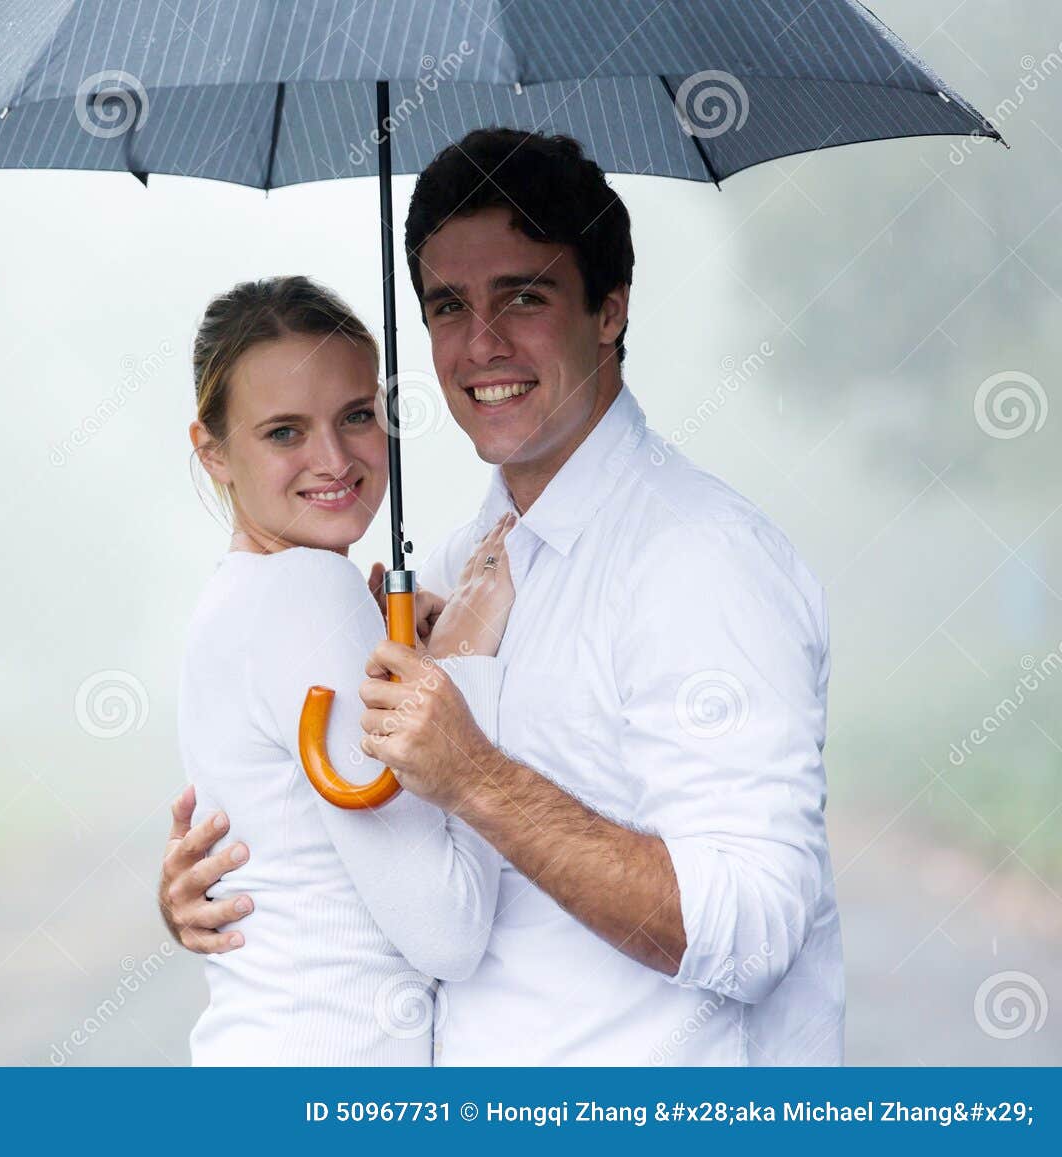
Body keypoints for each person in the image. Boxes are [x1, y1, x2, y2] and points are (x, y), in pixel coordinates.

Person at [162, 131, 844, 1066]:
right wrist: (248, 894)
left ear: (609, 311)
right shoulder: (453, 567)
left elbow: (758, 931)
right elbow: (367, 877)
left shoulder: (701, 561)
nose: (482, 345)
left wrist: (478, 777)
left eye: (523, 296)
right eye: (448, 304)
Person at [174, 274, 517, 1065]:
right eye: (285, 432)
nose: (334, 458)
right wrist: (462, 663)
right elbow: (450, 932)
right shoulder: (308, 590)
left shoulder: (235, 596)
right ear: (214, 451)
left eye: (358, 416)